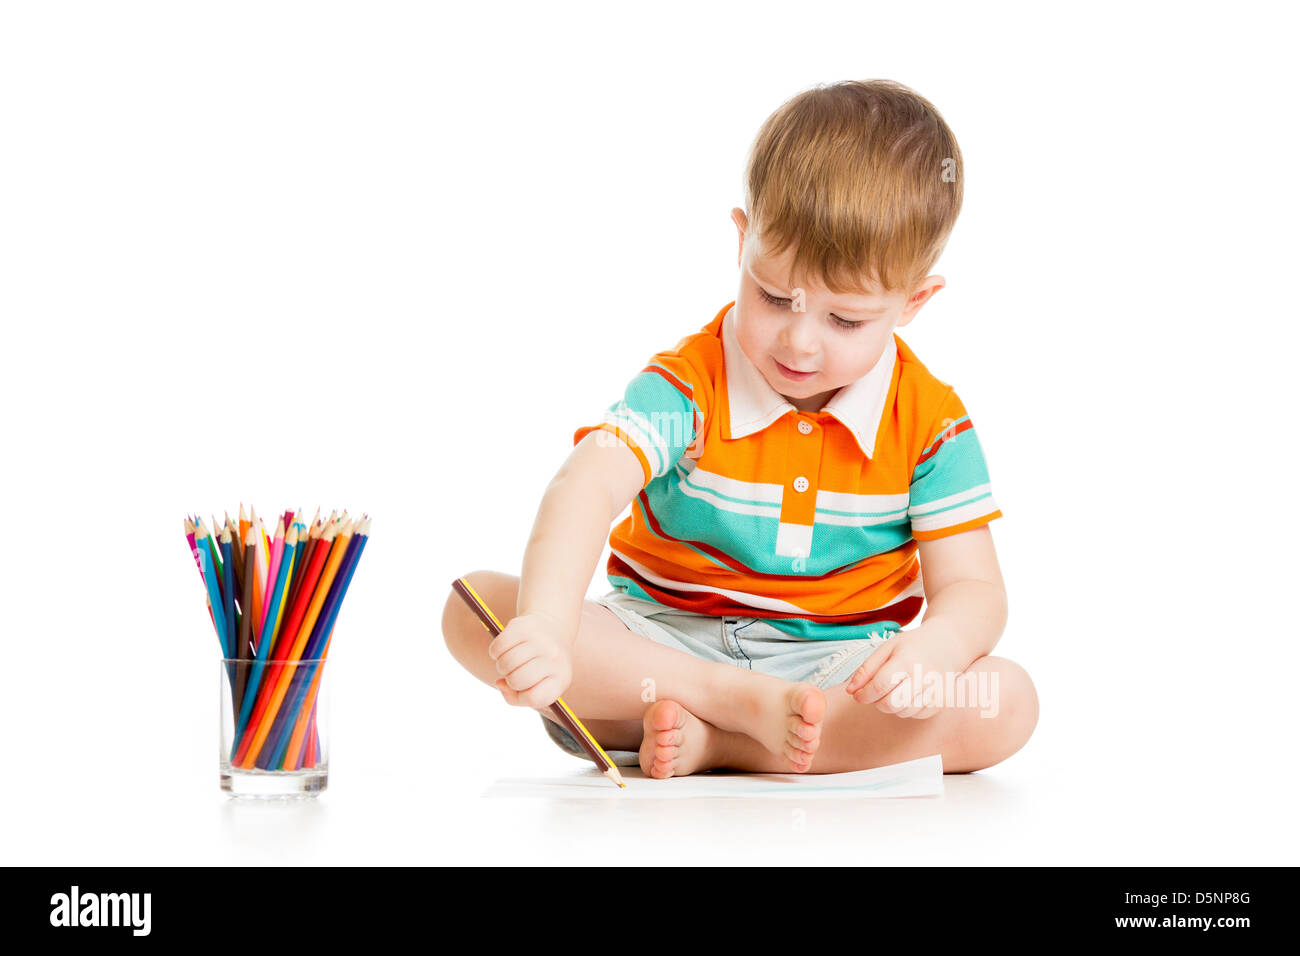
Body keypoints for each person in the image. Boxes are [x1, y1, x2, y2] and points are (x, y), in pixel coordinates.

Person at [443, 79, 1037, 777]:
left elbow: (975, 590)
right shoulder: (690, 384)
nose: (799, 343)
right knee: (475, 607)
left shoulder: (932, 423)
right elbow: (589, 483)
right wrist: (544, 625)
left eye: (844, 321)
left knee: (1007, 701)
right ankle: (727, 701)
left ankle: (720, 740)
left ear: (915, 301)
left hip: (833, 671)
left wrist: (934, 650)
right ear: (742, 240)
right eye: (774, 296)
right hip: (660, 646)